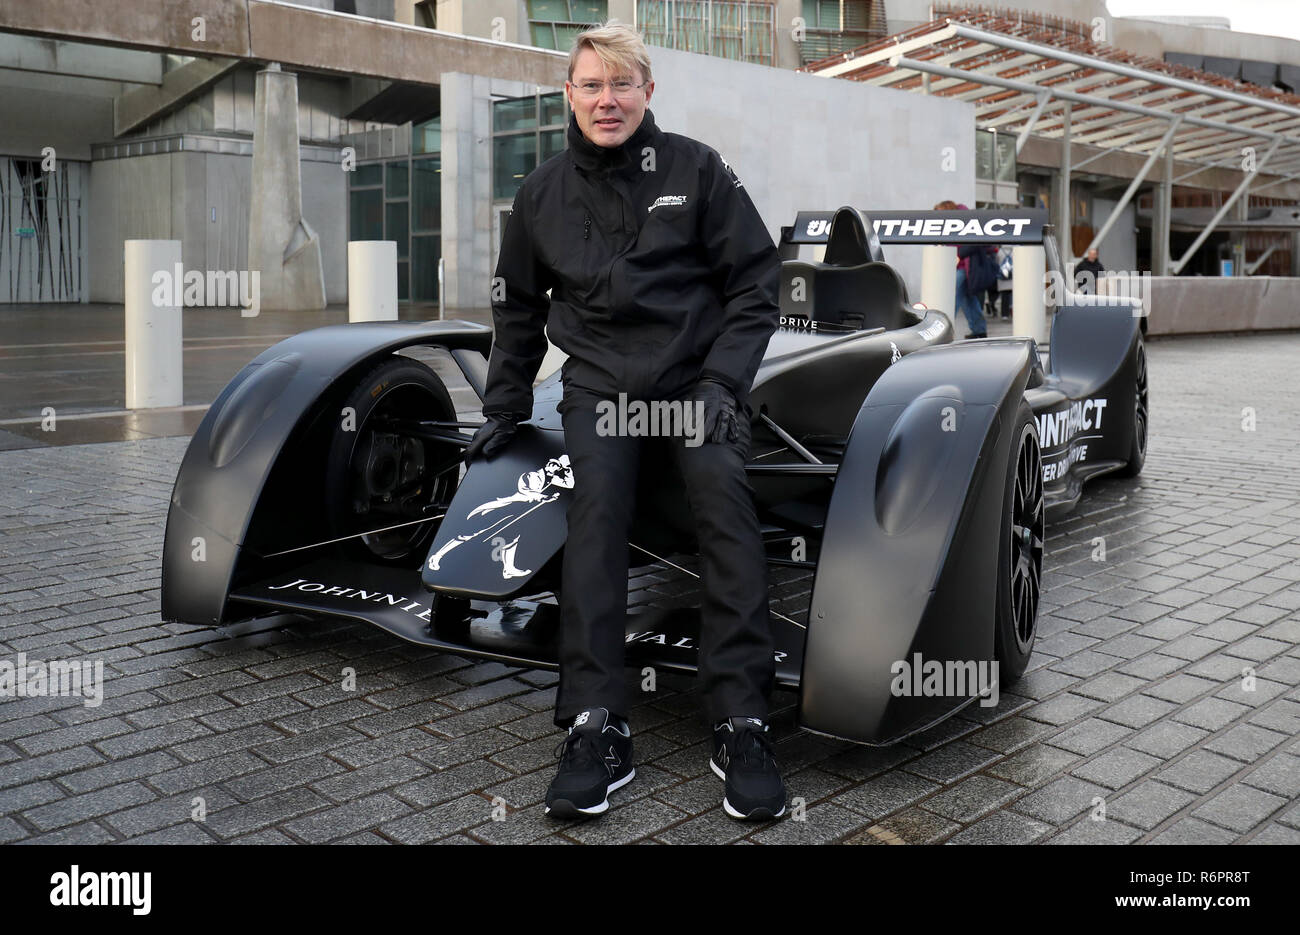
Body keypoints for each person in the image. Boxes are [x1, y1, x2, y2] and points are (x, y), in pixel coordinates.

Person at [464, 22, 786, 822]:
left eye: (622, 84)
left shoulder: (698, 170)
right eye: (591, 86)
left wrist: (721, 385)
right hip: (601, 388)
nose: (607, 100)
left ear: (649, 90)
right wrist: (504, 406)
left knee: (722, 501)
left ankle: (743, 719)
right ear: (568, 95)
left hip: (693, 383)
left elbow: (755, 284)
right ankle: (595, 724)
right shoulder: (540, 194)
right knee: (596, 516)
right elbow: (516, 310)